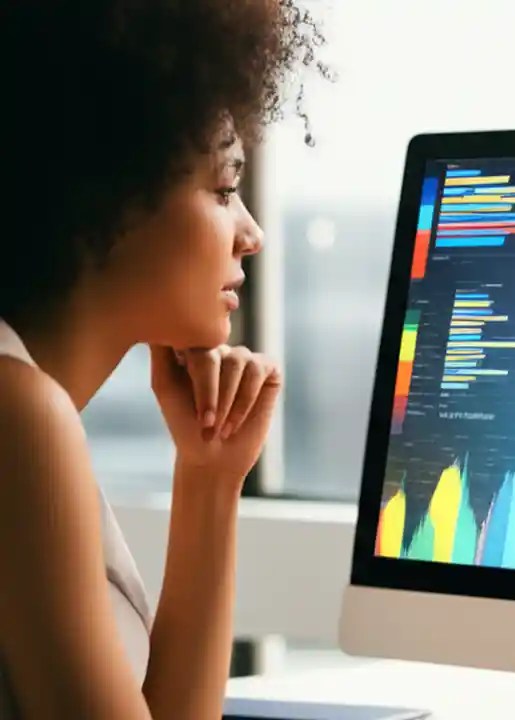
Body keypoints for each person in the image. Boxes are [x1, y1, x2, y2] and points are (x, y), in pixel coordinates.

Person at [0, 1, 325, 717]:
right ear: (112, 194)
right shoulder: (17, 414)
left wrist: (210, 478)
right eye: (225, 188)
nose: (252, 234)